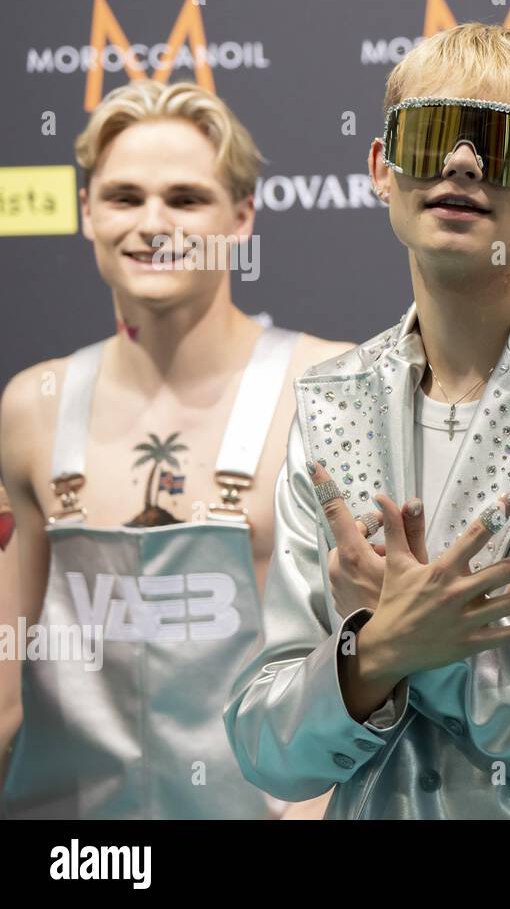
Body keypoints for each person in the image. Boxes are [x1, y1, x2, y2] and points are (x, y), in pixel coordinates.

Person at [225, 23, 510, 818]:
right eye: (432, 135)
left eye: (502, 143)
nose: (461, 164)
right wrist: (369, 656)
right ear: (380, 166)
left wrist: (430, 656)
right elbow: (268, 750)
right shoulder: (333, 401)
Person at [0, 80, 348, 818]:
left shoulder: (327, 386)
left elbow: (367, 661)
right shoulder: (33, 407)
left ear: (242, 216)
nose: (153, 224)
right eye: (125, 197)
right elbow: (7, 671)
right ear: (87, 210)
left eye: (186, 200)